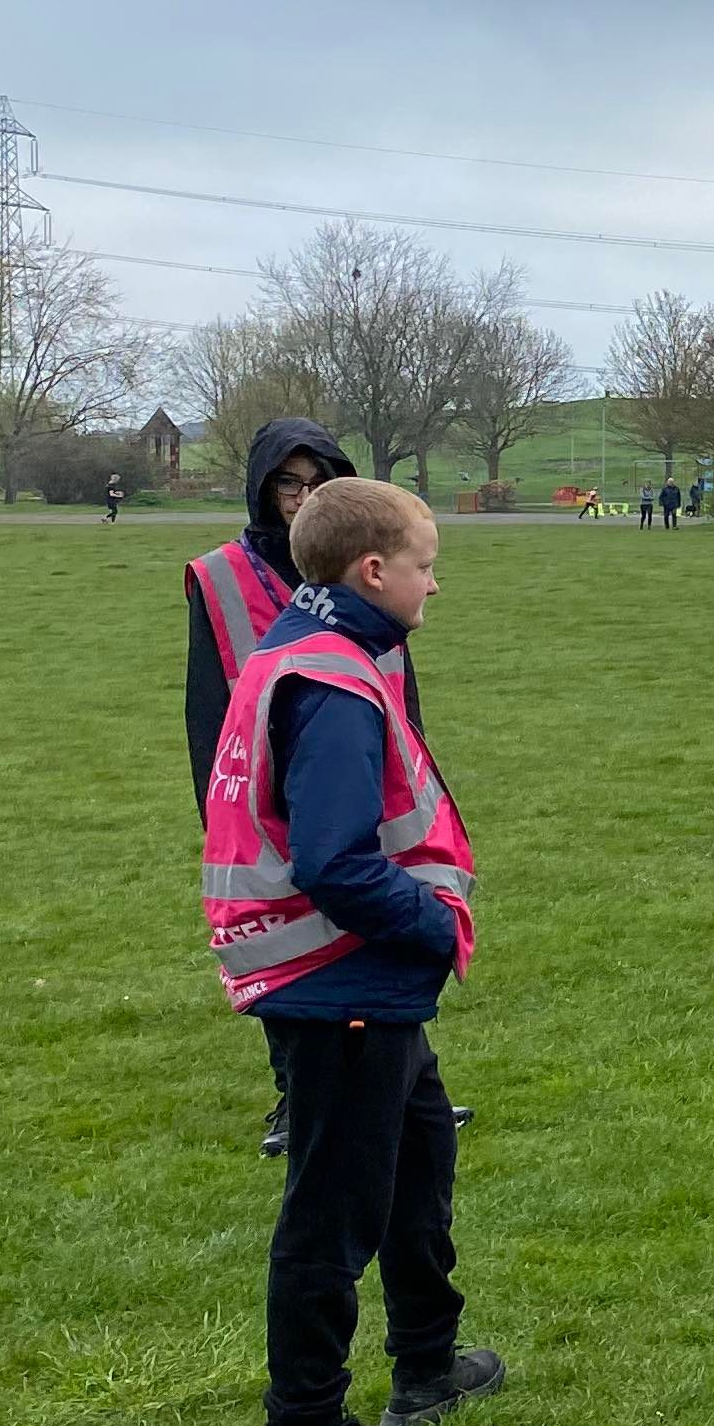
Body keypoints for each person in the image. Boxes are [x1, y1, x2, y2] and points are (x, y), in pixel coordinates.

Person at [203, 476, 503, 1426]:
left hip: (361, 980)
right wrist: (430, 926)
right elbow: (334, 857)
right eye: (427, 565)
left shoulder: (296, 649)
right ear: (372, 570)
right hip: (340, 978)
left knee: (418, 1159)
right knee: (332, 1209)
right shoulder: (332, 680)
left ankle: (427, 1360)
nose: (433, 586)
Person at [187, 421, 413, 1160]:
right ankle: (297, 1095)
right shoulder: (222, 574)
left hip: (357, 780)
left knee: (374, 928)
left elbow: (402, 696)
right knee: (285, 943)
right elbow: (205, 708)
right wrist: (219, 807)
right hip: (263, 792)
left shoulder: (370, 566)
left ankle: (402, 1084)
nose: (303, 496)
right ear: (264, 488)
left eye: (318, 481)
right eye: (288, 481)